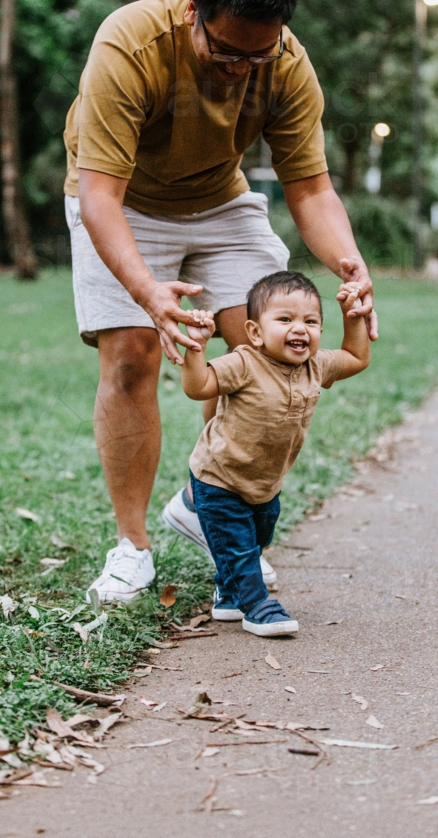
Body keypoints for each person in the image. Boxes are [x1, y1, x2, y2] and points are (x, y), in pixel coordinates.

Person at [63, 0, 378, 602]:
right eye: (226, 51)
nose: (243, 68)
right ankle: (131, 547)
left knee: (265, 352)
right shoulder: (131, 43)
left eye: (258, 54)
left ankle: (206, 509)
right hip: (124, 201)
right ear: (191, 15)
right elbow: (98, 196)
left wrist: (347, 260)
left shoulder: (285, 63)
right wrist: (147, 291)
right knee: (131, 354)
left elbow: (311, 188)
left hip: (220, 200)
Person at [180, 271, 370, 636]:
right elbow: (198, 386)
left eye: (310, 321)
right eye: (285, 319)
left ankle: (229, 593)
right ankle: (257, 606)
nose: (299, 329)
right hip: (218, 478)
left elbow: (356, 357)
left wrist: (352, 316)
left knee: (257, 538)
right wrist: (195, 348)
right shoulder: (245, 363)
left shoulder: (316, 366)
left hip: (266, 483)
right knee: (240, 550)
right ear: (254, 332)